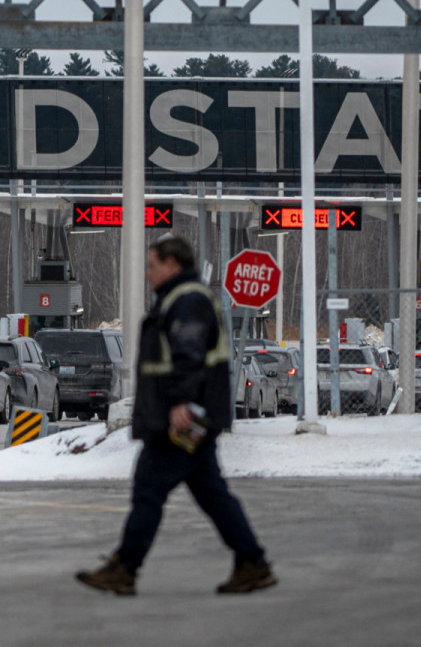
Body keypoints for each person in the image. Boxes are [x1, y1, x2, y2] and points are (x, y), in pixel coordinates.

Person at [76, 236, 275, 596]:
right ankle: (252, 562)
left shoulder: (187, 301)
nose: (147, 273)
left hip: (182, 418)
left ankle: (125, 568)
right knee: (212, 494)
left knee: (149, 490)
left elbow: (188, 353)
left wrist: (181, 402)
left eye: (152, 265)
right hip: (191, 416)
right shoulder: (182, 298)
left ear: (172, 265)